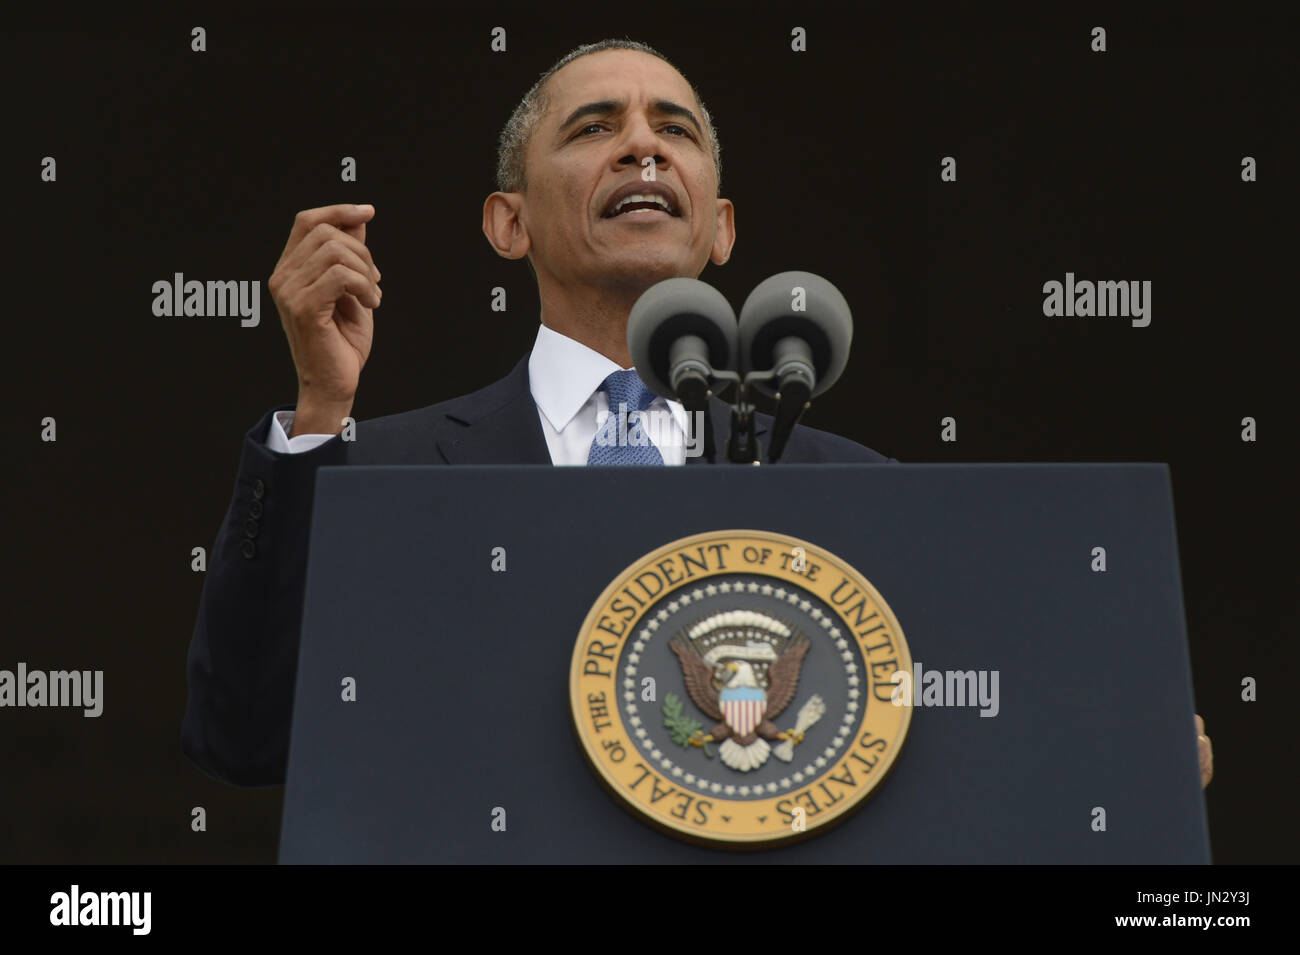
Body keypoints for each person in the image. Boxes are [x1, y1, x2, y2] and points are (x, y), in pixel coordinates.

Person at [182, 39, 1211, 791]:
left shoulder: (858, 492)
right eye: (594, 130)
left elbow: (957, 738)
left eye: (673, 131)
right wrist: (322, 410)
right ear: (508, 223)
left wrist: (1122, 748)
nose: (642, 149)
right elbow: (247, 738)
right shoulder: (383, 471)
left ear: (719, 228)